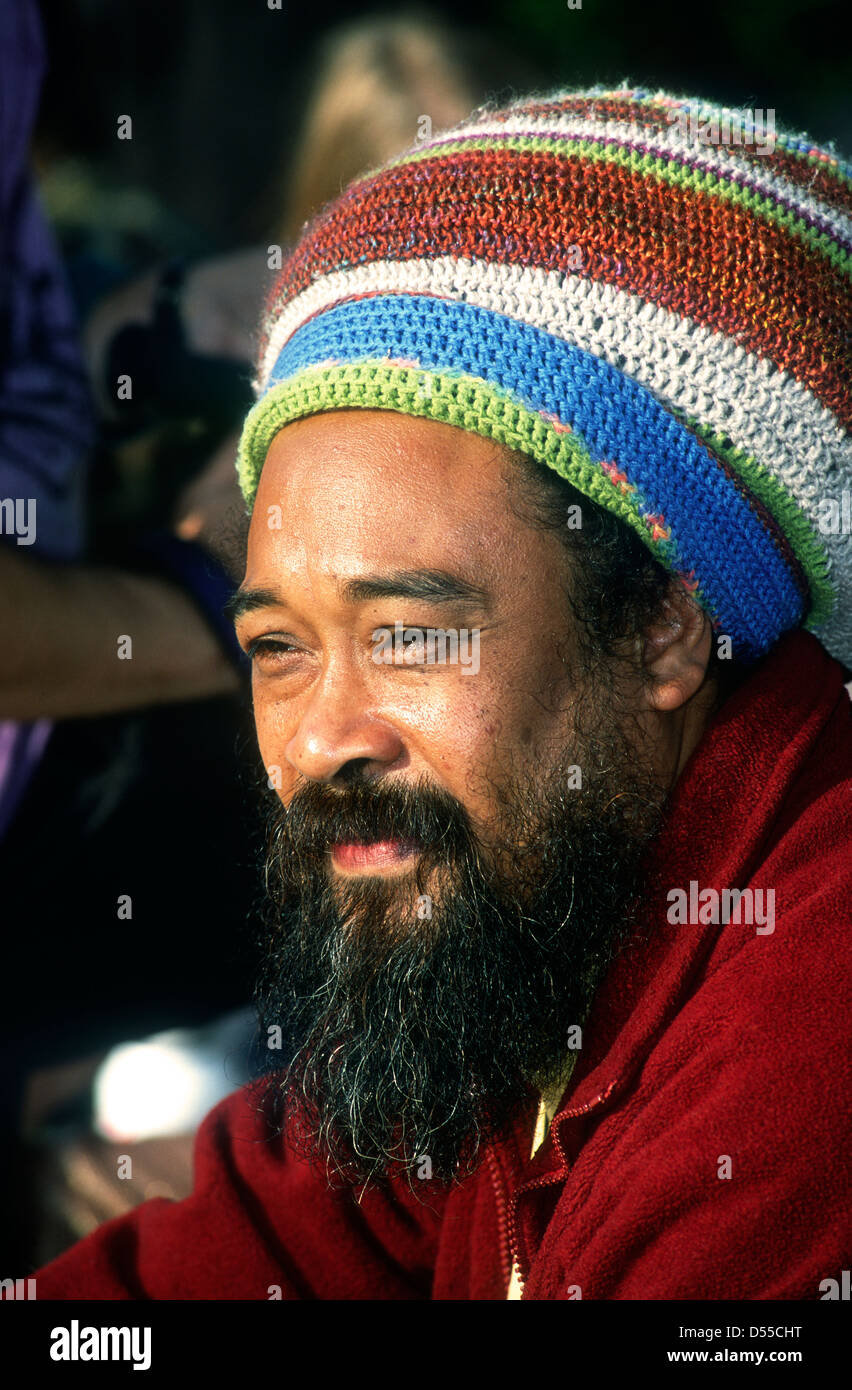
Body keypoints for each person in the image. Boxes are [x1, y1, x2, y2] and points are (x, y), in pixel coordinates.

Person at [30, 86, 852, 1300]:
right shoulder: (516, 926)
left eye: (410, 637)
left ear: (664, 631)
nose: (321, 740)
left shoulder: (803, 1056)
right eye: (278, 646)